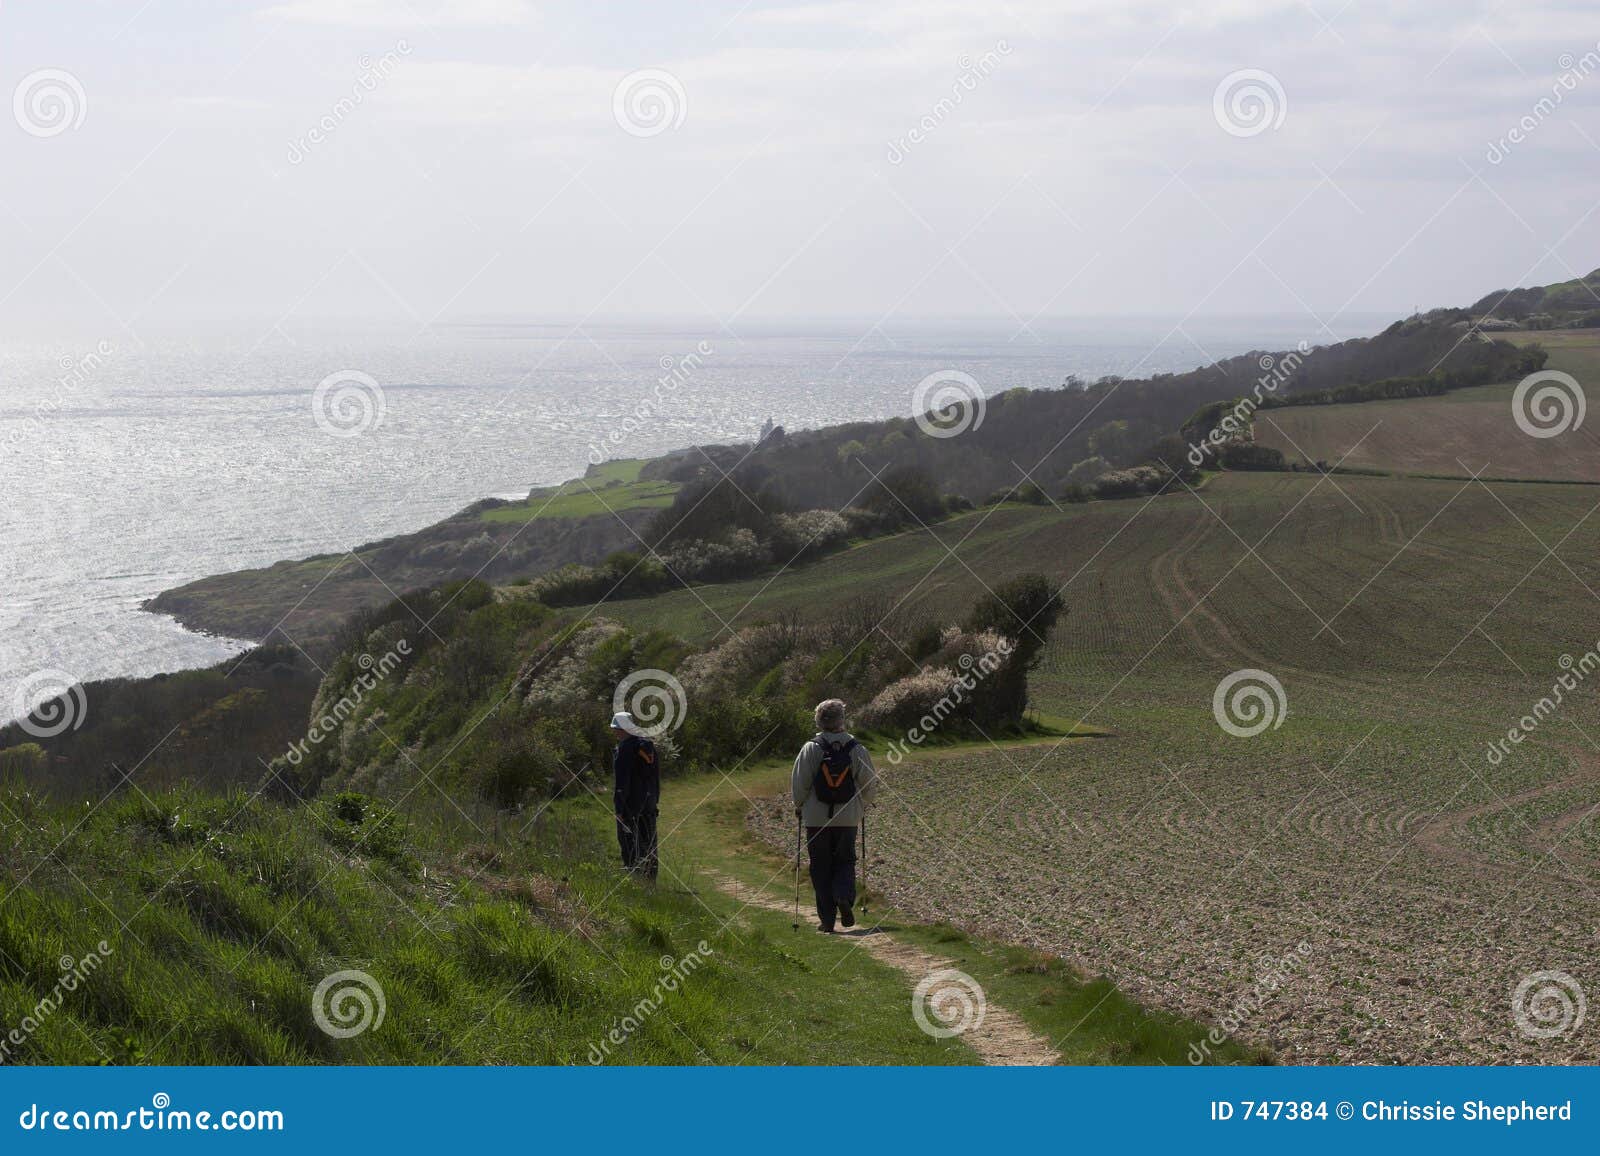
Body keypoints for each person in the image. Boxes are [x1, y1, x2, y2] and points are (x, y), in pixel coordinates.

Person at [791, 698, 878, 933]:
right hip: (848, 817)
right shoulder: (856, 748)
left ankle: (827, 920)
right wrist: (862, 806)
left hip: (816, 819)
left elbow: (800, 784)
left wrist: (799, 805)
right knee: (845, 860)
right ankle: (843, 897)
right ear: (842, 720)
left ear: (819, 721)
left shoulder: (810, 748)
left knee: (820, 866)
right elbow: (869, 784)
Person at [610, 711, 659, 880]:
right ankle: (650, 878)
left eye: (616, 728)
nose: (615, 732)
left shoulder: (625, 749)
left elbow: (621, 782)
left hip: (630, 806)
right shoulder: (647, 746)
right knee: (649, 842)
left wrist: (619, 808)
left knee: (629, 841)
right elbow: (655, 778)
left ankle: (634, 877)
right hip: (649, 805)